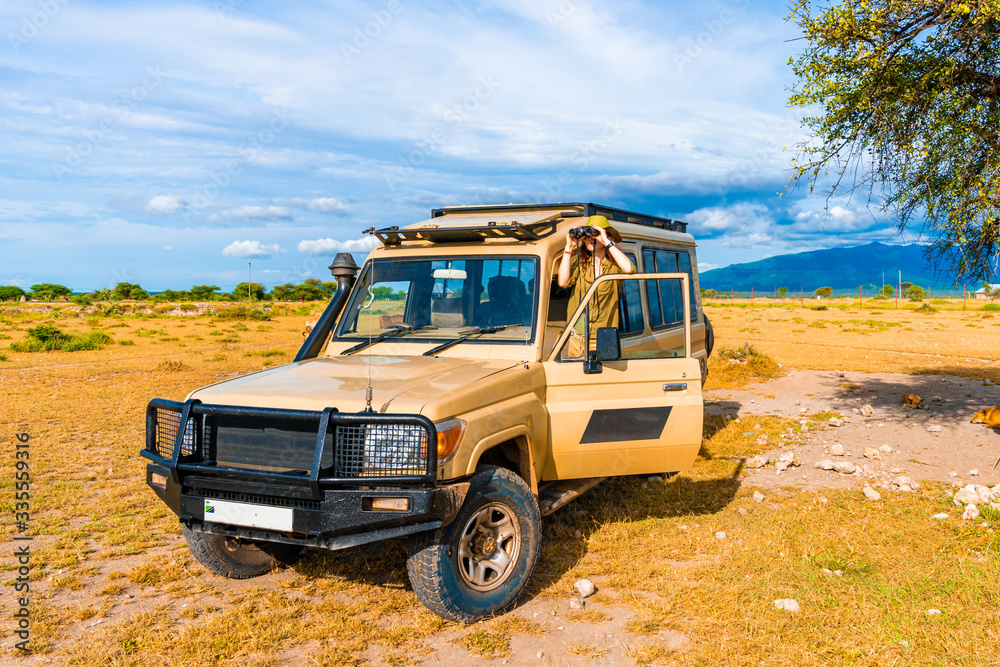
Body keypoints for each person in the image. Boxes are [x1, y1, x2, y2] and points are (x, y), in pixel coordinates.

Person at [557, 215, 635, 357]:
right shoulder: (580, 263)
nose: (590, 239)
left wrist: (606, 241)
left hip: (604, 336)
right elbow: (563, 282)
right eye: (587, 235)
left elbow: (629, 269)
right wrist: (569, 247)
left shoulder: (614, 266)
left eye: (595, 234)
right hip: (578, 336)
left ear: (607, 237)